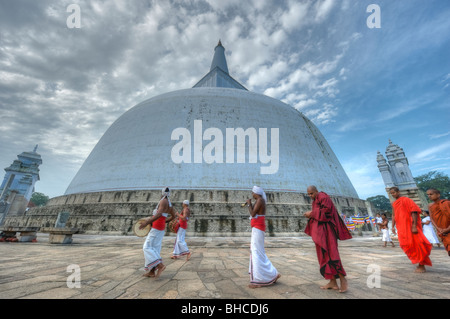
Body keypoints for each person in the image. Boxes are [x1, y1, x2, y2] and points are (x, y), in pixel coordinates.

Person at [304, 185, 352, 293]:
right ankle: (332, 282)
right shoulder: (316, 198)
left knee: (332, 255)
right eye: (308, 194)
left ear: (316, 191)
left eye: (311, 193)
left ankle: (343, 280)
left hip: (328, 231)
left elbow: (327, 212)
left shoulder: (323, 197)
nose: (310, 196)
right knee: (324, 256)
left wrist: (311, 214)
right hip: (321, 232)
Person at [390, 187, 432, 273]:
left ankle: (421, 265)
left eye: (394, 192)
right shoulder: (394, 203)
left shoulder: (406, 200)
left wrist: (414, 226)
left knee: (416, 244)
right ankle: (419, 262)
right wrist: (393, 226)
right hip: (401, 227)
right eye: (391, 193)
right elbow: (394, 215)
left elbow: (414, 211)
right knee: (405, 244)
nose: (393, 194)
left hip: (409, 226)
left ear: (398, 192)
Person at [246, 186, 281, 289]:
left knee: (256, 252)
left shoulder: (260, 200)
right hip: (258, 228)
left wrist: (249, 204)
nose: (252, 195)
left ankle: (259, 280)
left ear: (256, 193)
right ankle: (273, 274)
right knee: (258, 251)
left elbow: (252, 213)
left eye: (253, 193)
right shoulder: (259, 200)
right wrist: (251, 204)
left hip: (258, 228)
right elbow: (254, 213)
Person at [140, 187, 175, 278]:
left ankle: (160, 265)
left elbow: (159, 214)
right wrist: (164, 221)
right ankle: (151, 271)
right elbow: (173, 216)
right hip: (160, 227)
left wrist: (146, 222)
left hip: (156, 228)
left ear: (162, 193)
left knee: (146, 247)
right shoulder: (169, 204)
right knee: (154, 249)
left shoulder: (163, 202)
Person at [427, 188, 450, 256]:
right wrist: (438, 228)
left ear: (438, 195)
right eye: (428, 194)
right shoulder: (430, 206)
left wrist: (447, 229)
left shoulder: (446, 203)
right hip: (441, 231)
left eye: (431, 194)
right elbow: (432, 218)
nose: (429, 196)